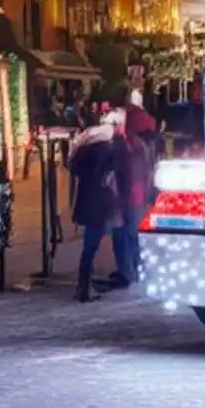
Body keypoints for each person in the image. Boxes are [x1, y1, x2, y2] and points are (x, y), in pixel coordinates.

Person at [68, 109, 127, 302]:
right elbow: (113, 177)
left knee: (89, 247)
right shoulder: (110, 150)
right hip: (102, 203)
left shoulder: (85, 147)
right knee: (94, 243)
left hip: (86, 200)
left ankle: (83, 285)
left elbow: (75, 169)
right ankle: (84, 289)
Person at [108, 91, 156, 289]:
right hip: (138, 196)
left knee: (124, 233)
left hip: (129, 196)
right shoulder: (145, 146)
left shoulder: (131, 147)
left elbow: (126, 173)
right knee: (132, 233)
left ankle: (128, 270)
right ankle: (135, 268)